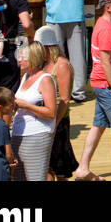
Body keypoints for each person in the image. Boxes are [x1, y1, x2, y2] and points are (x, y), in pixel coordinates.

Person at [75, 0, 111, 182]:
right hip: (106, 85)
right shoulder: (106, 29)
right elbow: (105, 62)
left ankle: (82, 168)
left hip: (101, 83)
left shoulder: (102, 24)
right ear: (108, 7)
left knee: (98, 125)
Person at [33, 0, 91, 103]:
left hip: (54, 16)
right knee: (78, 55)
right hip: (75, 14)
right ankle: (78, 92)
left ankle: (56, 89)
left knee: (54, 55)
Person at [34, 24, 78, 180]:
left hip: (58, 119)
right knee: (46, 164)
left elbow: (65, 99)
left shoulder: (62, 65)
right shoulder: (44, 64)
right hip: (45, 118)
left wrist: (55, 123)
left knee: (59, 167)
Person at [10, 42, 58, 182]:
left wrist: (26, 105)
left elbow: (51, 112)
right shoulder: (25, 77)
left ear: (33, 58)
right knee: (19, 177)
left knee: (35, 177)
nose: (19, 60)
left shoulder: (45, 79)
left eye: (23, 57)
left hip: (37, 135)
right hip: (19, 133)